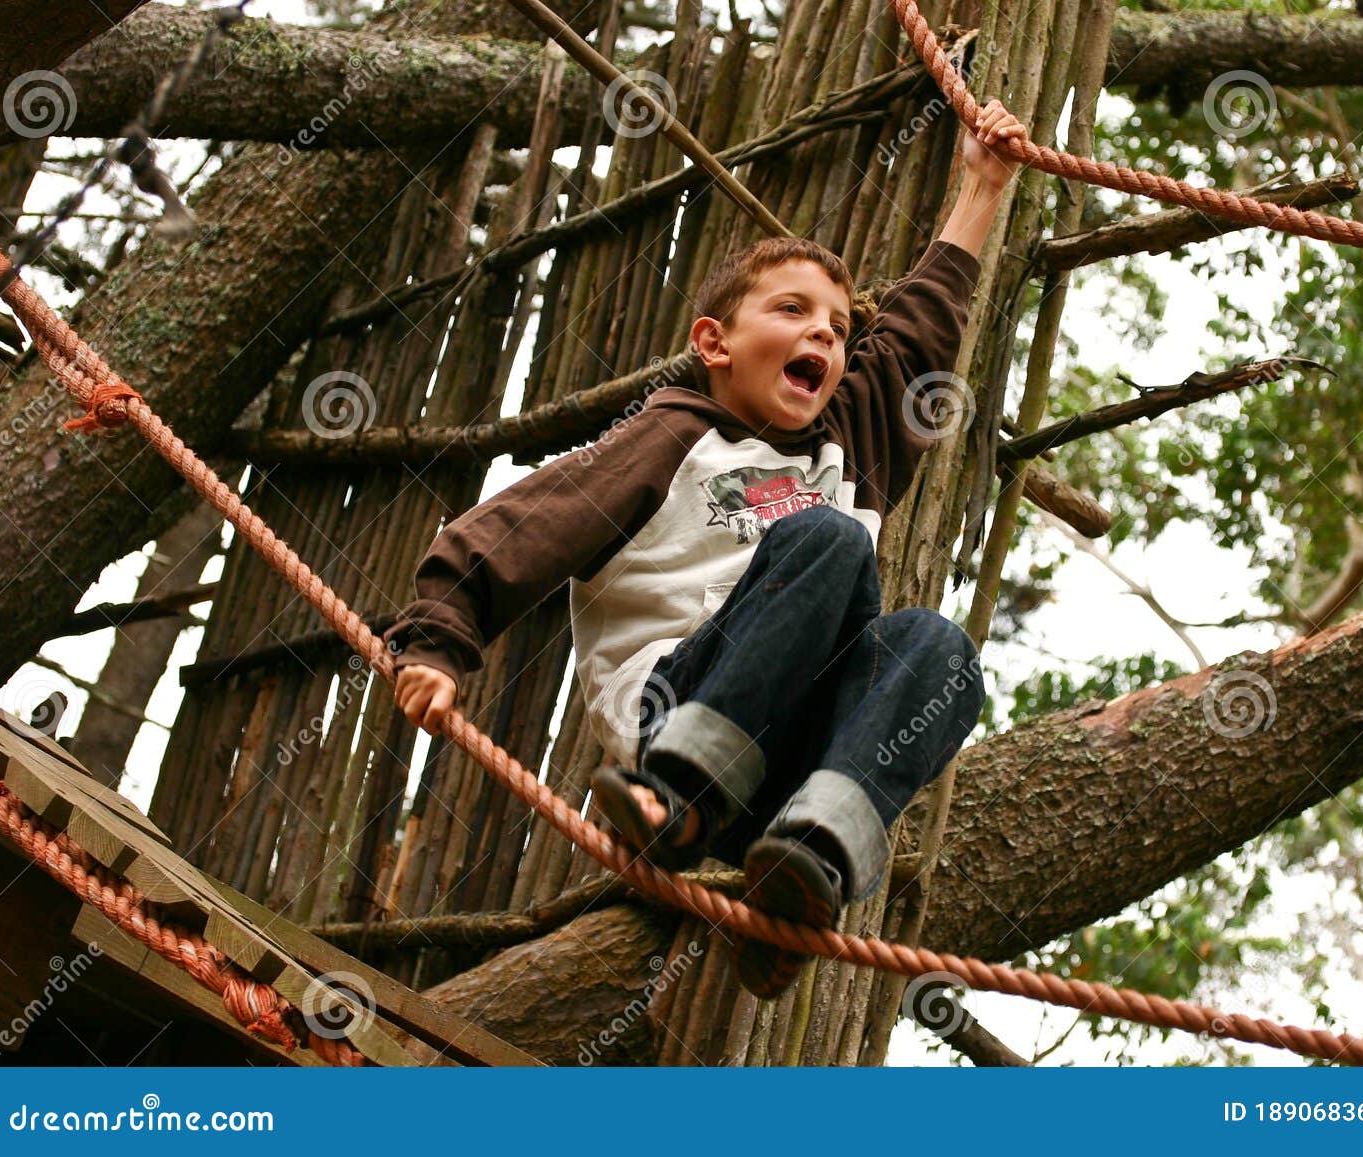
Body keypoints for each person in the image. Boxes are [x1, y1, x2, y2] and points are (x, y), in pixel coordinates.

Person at [388, 100, 1031, 998]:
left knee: (943, 652)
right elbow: (520, 525)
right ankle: (678, 794)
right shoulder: (669, 437)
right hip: (671, 720)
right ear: (714, 343)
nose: (824, 334)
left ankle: (805, 870)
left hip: (781, 780)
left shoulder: (853, 448)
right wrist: (437, 642)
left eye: (840, 328)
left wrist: (985, 182)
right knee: (831, 541)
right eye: (793, 310)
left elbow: (923, 324)